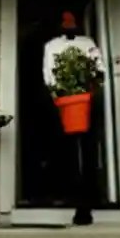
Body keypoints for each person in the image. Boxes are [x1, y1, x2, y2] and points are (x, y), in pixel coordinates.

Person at [41, 11, 101, 225]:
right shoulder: (51, 46)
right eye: (65, 23)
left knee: (88, 151)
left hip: (87, 102)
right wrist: (59, 95)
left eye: (72, 23)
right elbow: (49, 75)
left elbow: (98, 69)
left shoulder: (88, 43)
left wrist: (91, 91)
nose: (69, 27)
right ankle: (70, 196)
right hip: (62, 104)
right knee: (66, 151)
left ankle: (87, 203)